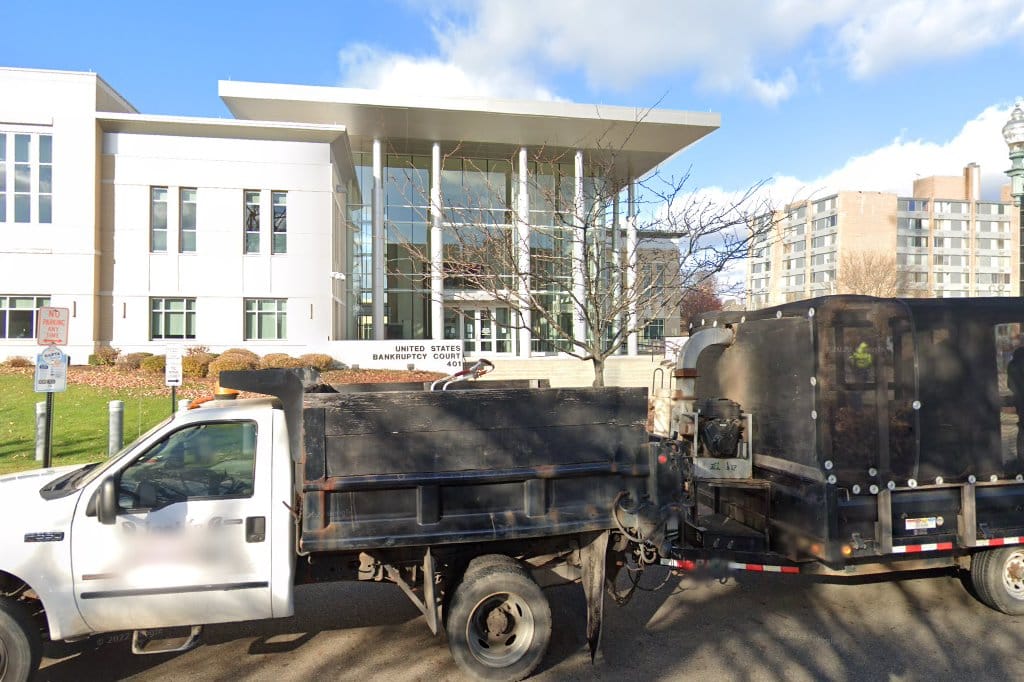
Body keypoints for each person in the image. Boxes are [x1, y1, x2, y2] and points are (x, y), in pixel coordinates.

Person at [1007, 347, 1024, 457]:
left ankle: (1020, 458)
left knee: (1022, 428)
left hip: (1020, 401)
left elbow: (1009, 385)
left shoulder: (1011, 365)